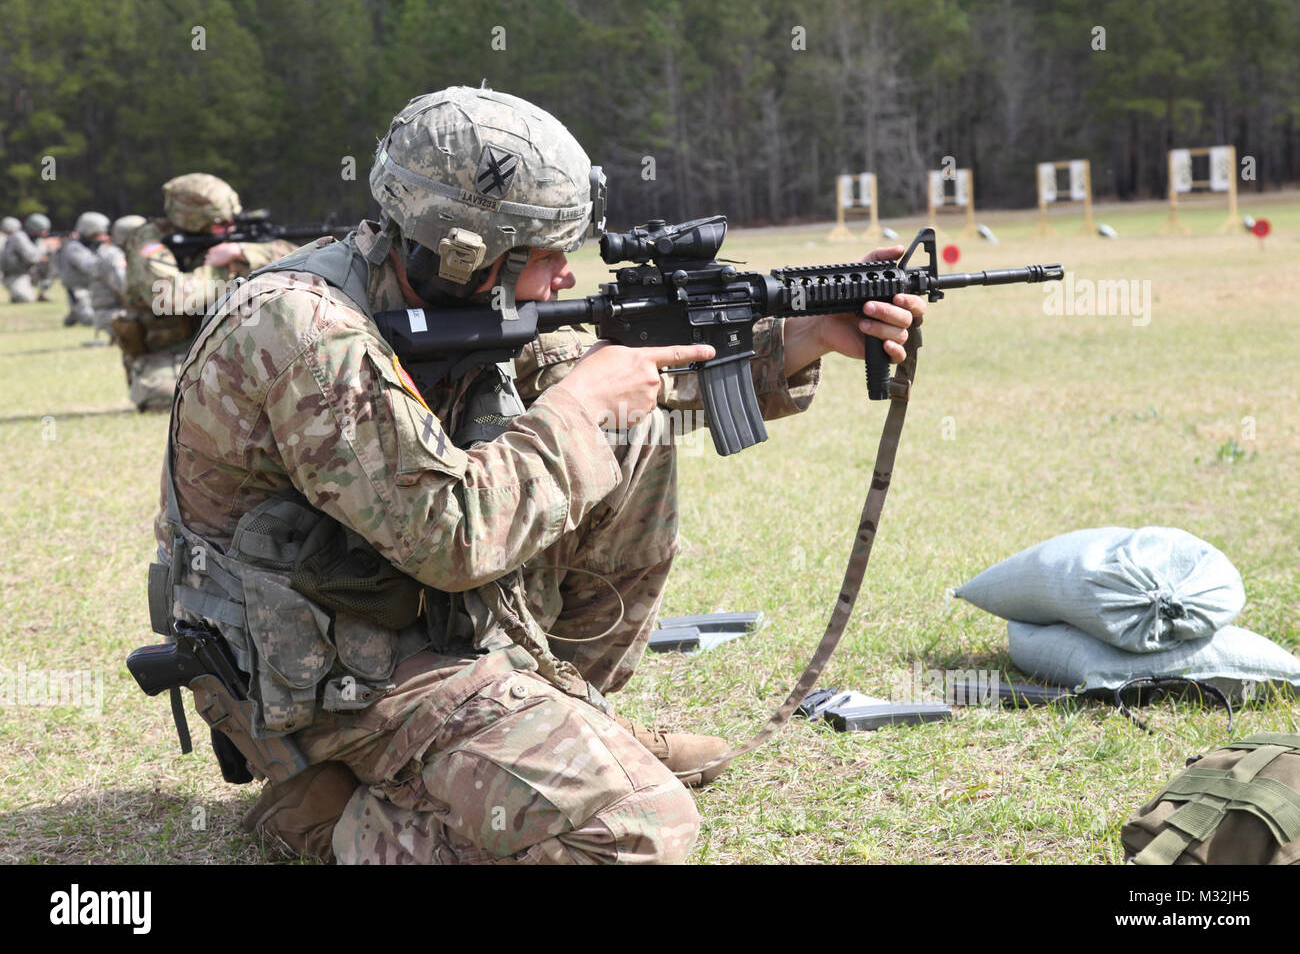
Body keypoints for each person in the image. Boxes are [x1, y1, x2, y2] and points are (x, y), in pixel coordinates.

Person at [148, 86, 923, 865]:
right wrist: (578, 410)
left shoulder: (434, 295)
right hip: (316, 674)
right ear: (463, 255)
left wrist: (808, 333)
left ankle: (555, 713)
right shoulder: (305, 333)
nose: (562, 276)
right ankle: (327, 819)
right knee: (636, 832)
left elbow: (627, 374)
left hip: (395, 622)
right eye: (544, 253)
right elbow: (449, 536)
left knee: (633, 426)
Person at [114, 173, 294, 410]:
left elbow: (293, 254)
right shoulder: (148, 241)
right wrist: (226, 268)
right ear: (192, 221)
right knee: (173, 397)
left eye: (231, 220)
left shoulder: (229, 236)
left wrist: (242, 252)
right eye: (221, 223)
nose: (230, 227)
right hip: (168, 353)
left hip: (222, 347)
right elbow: (169, 297)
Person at [89, 215, 145, 338]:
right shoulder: (113, 256)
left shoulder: (121, 253)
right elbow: (124, 289)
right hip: (113, 314)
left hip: (119, 311)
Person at [57, 213, 110, 327]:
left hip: (96, 288)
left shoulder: (96, 247)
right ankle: (77, 310)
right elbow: (88, 266)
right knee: (91, 320)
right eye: (99, 234)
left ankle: (75, 312)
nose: (103, 236)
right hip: (79, 289)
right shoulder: (73, 247)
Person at [1, 213, 52, 304]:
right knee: (26, 299)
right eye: (42, 231)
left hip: (29, 272)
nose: (45, 234)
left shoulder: (38, 240)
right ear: (33, 229)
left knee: (51, 264)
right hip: (14, 275)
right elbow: (33, 257)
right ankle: (17, 294)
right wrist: (45, 249)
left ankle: (42, 294)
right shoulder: (18, 237)